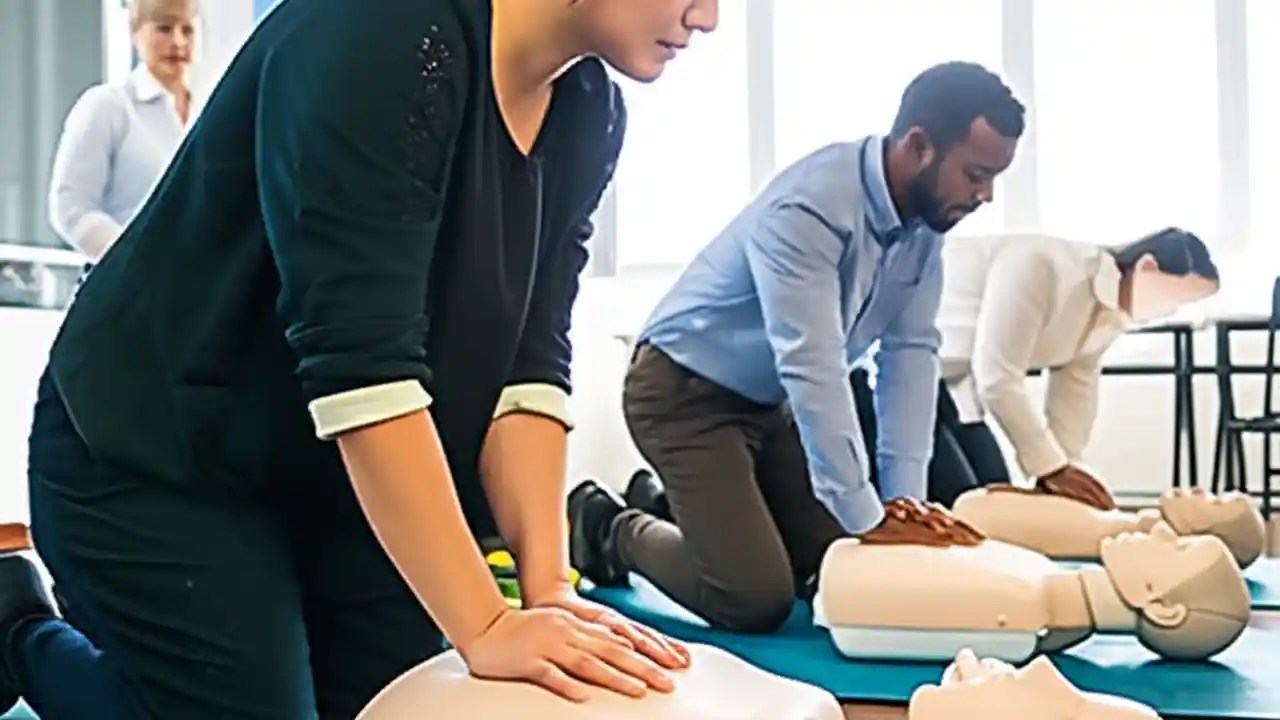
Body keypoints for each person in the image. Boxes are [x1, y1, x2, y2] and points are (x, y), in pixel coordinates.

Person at [0, 1, 719, 718]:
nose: (708, 16)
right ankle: (14, 626)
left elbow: (531, 362)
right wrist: (487, 624)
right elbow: (364, 366)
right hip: (155, 454)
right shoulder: (381, 31)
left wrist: (548, 589)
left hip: (328, 474)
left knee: (392, 705)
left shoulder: (589, 111)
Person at [567, 61, 1025, 634]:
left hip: (767, 404)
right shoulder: (812, 207)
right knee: (755, 598)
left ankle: (674, 505)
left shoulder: (924, 233)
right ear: (918, 145)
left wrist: (903, 507)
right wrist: (865, 512)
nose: (984, 195)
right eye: (976, 174)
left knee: (835, 567)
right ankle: (612, 526)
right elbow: (814, 365)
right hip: (682, 395)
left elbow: (910, 358)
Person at [930, 228, 1220, 505]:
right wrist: (1053, 468)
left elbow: (1075, 388)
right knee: (966, 508)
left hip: (960, 396)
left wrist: (1068, 466)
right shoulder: (1041, 265)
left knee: (995, 500)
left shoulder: (1108, 316)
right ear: (1147, 267)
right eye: (1176, 299)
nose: (1171, 312)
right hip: (910, 380)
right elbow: (998, 378)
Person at [48, 0, 200, 263]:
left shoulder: (207, 110)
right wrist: (136, 260)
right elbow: (71, 209)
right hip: (129, 290)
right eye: (164, 29)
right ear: (135, 30)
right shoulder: (108, 106)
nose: (177, 42)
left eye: (187, 30)